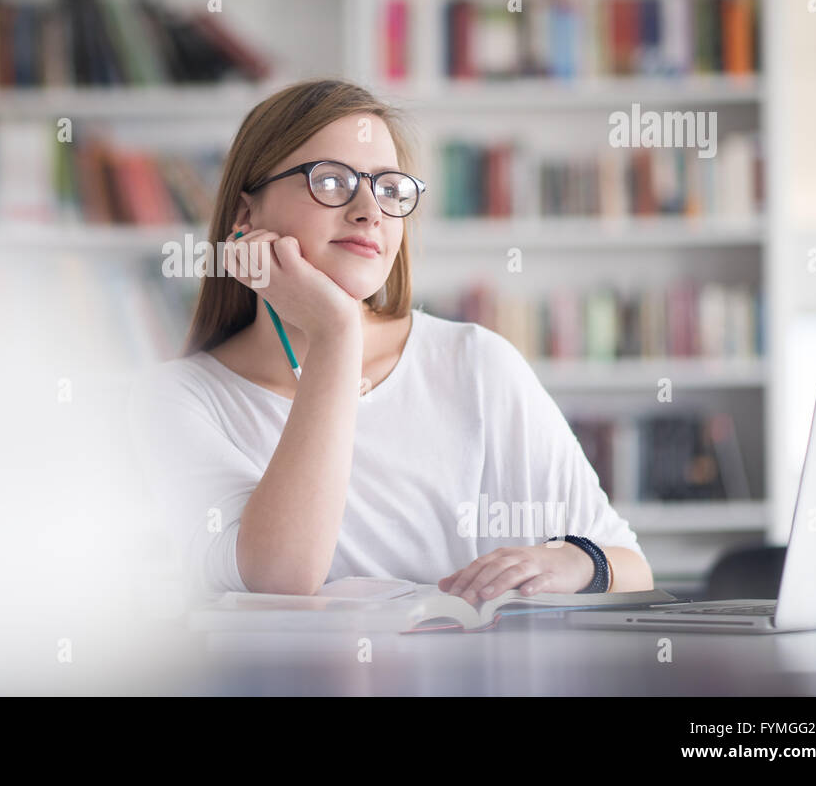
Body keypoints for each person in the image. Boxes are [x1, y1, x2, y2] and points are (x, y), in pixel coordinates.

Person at [128, 78, 653, 603]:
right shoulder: (178, 397)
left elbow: (631, 568)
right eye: (331, 182)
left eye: (388, 188)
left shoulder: (475, 363)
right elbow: (280, 577)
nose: (369, 211)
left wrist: (575, 561)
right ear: (246, 215)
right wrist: (335, 335)